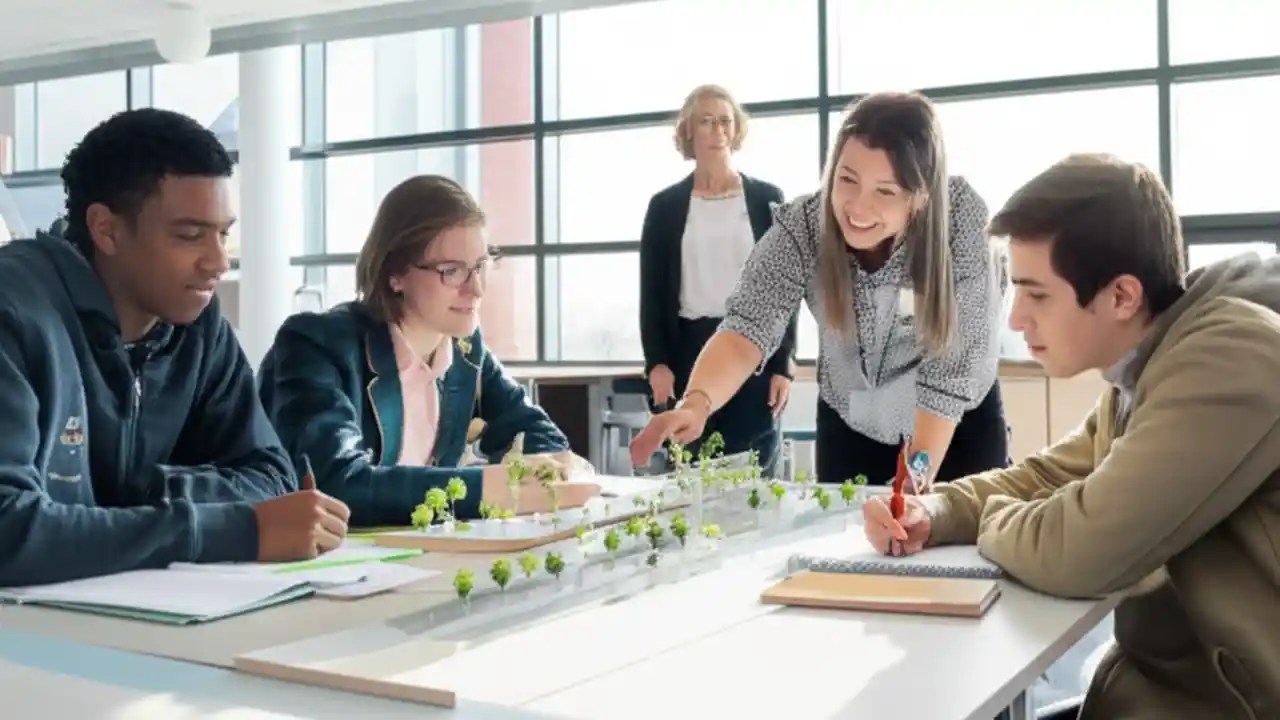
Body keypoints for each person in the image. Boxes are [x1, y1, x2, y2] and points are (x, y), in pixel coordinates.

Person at [863, 153, 1280, 719]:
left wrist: (989, 519)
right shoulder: (1151, 365)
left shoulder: (1230, 357)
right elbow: (1049, 475)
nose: (1015, 319)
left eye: (1037, 295)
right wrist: (934, 511)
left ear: (1122, 296)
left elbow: (1076, 551)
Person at [0, 108, 350, 587]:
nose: (218, 262)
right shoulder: (14, 313)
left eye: (223, 234)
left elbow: (271, 475)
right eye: (189, 236)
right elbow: (8, 530)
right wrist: (234, 529)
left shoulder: (199, 328)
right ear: (106, 229)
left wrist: (144, 493)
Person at [631, 91, 1009, 486]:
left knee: (954, 541)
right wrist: (697, 404)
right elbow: (747, 325)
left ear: (920, 196)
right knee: (845, 543)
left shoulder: (961, 223)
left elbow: (952, 371)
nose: (857, 208)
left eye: (884, 191)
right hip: (852, 423)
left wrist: (912, 485)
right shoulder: (804, 226)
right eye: (847, 179)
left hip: (952, 427)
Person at [259, 175, 600, 528]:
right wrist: (488, 486)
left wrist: (537, 470)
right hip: (314, 569)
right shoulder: (316, 344)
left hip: (417, 558)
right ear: (395, 274)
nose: (476, 289)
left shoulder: (466, 351)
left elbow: (541, 440)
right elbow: (335, 486)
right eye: (451, 271)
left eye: (480, 266)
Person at [639, 84, 796, 473]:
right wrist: (656, 362)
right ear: (689, 131)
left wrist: (783, 365)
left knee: (755, 470)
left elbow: (787, 286)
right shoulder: (664, 206)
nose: (717, 130)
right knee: (693, 469)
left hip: (755, 347)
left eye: (725, 121)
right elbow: (652, 291)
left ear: (736, 130)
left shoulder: (767, 199)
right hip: (689, 346)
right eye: (706, 121)